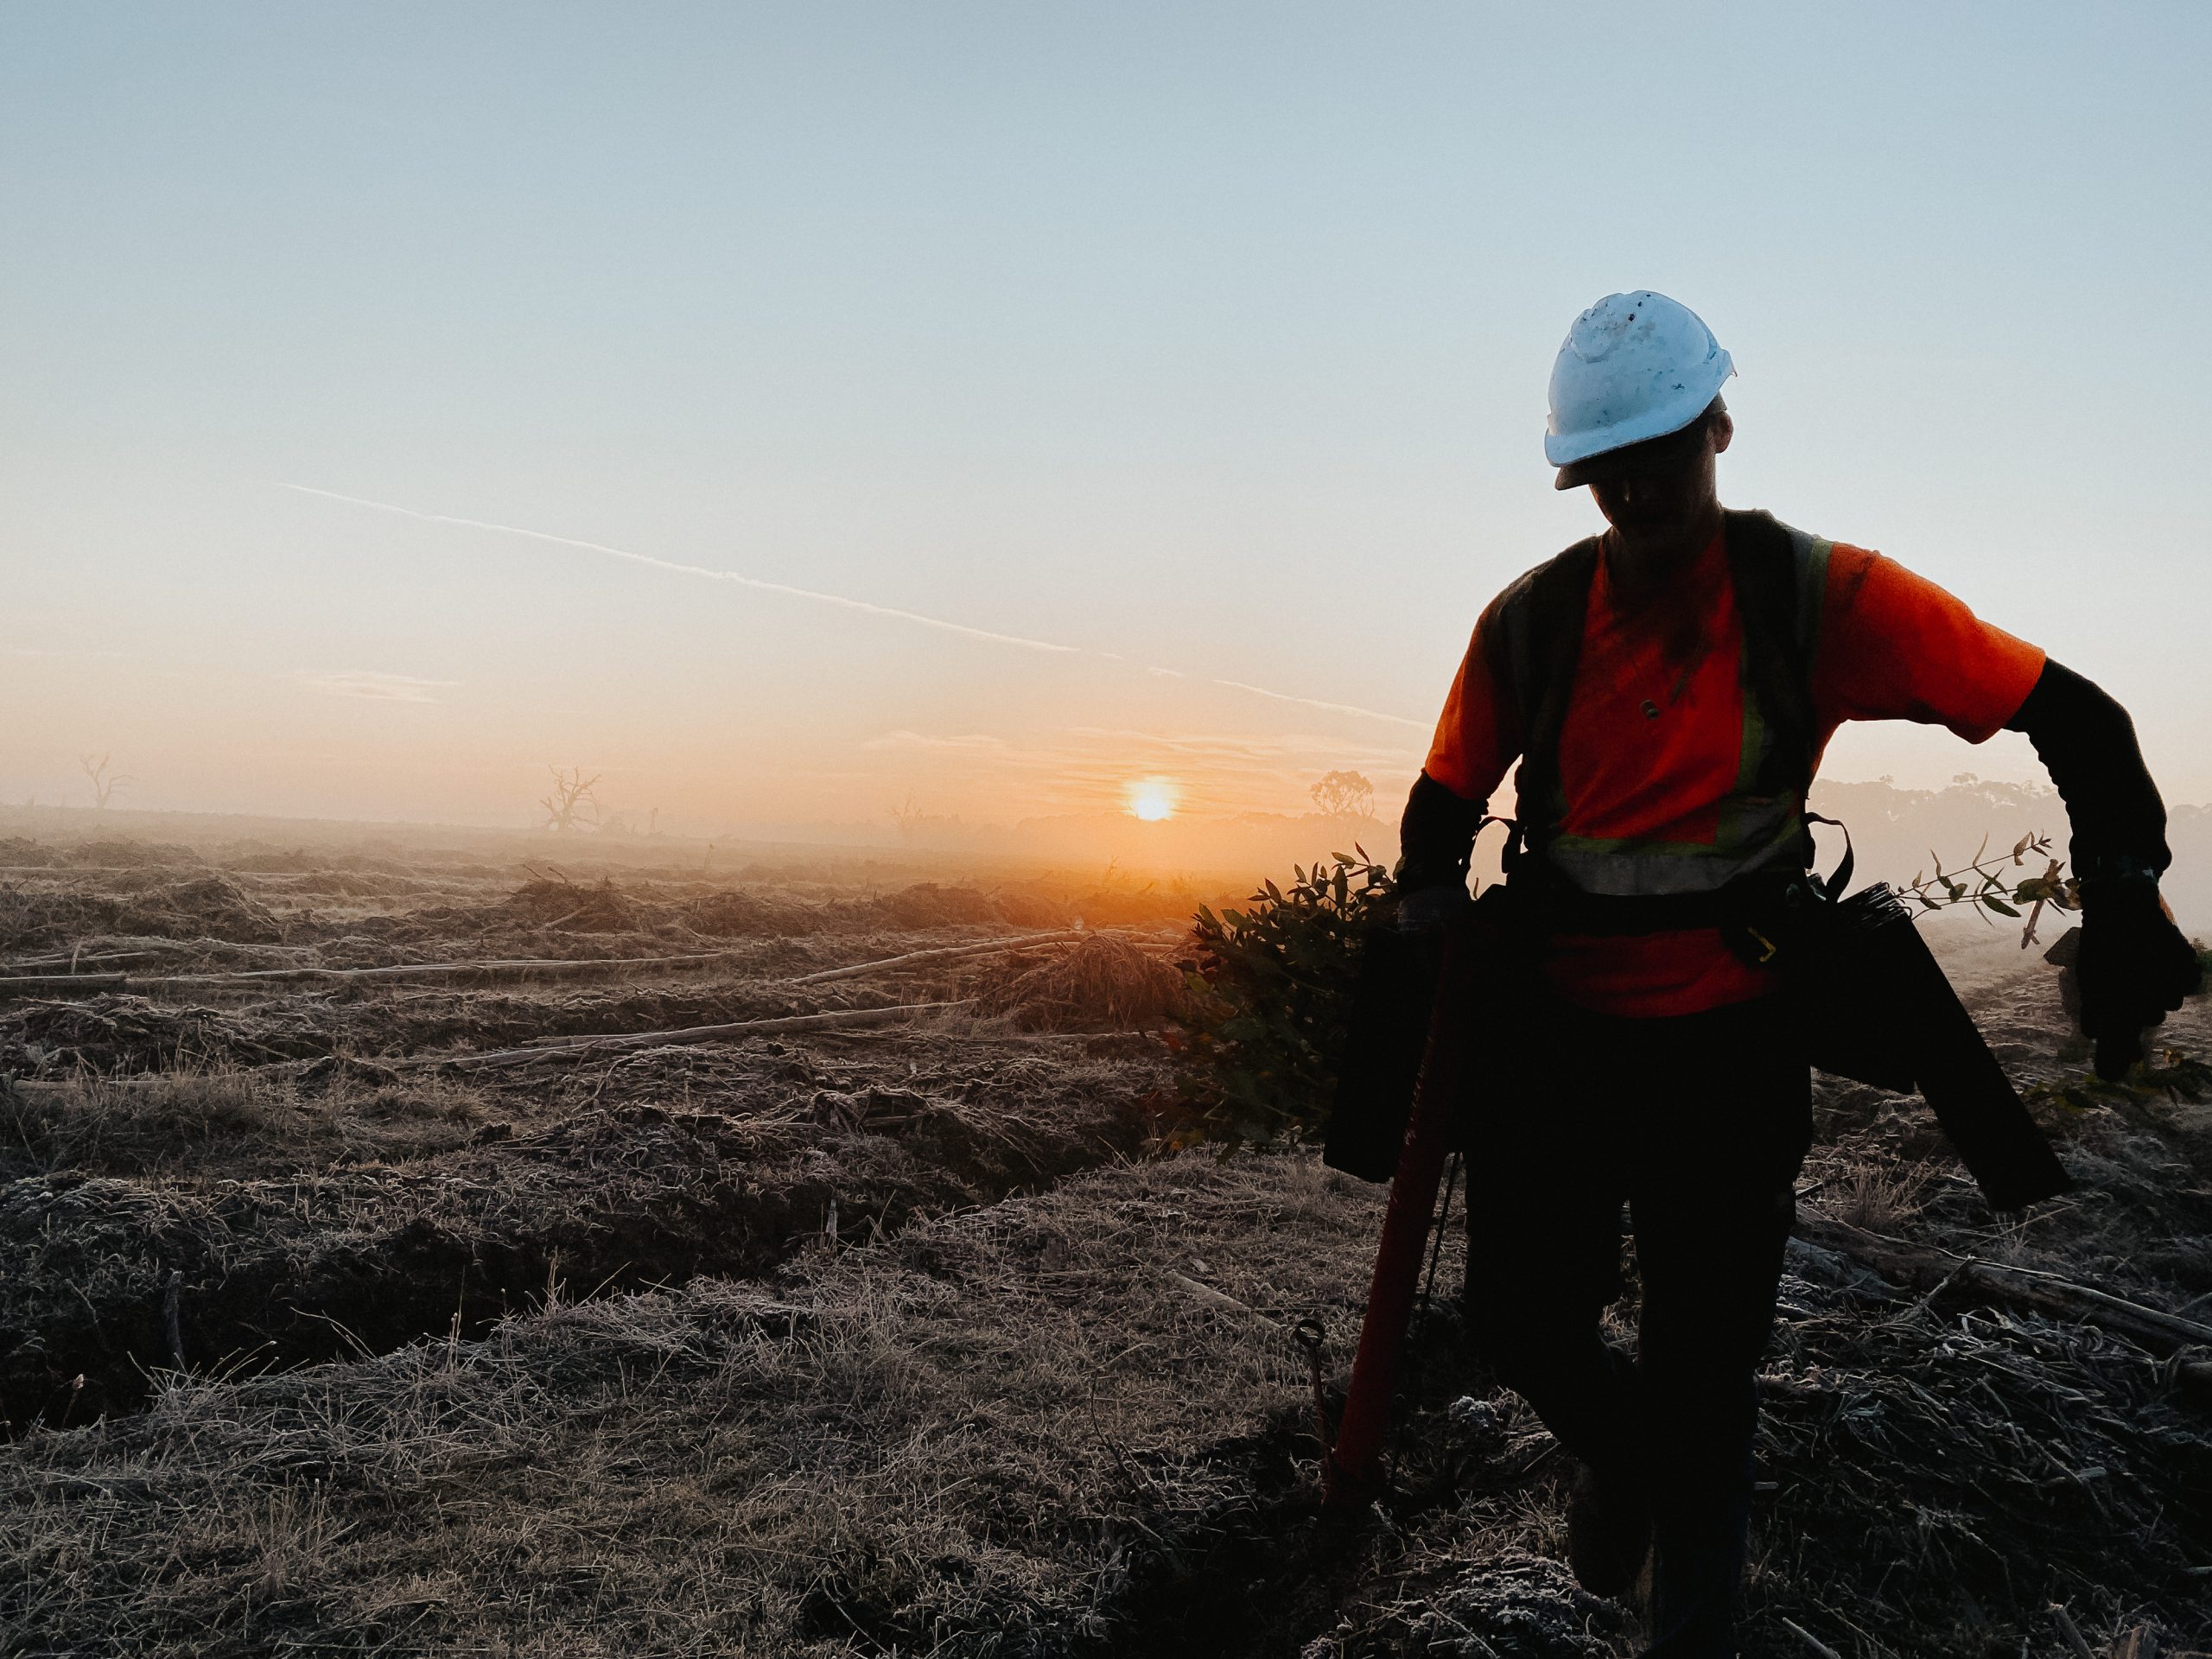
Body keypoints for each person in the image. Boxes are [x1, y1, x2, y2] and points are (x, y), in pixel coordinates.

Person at [1392, 290, 2202, 1656]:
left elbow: (2075, 713)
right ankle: (1620, 1456)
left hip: (1730, 1050)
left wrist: (2123, 898)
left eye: (1663, 447)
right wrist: (1421, 909)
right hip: (1563, 1048)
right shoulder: (1528, 625)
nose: (1640, 487)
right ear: (1576, 475)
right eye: (1608, 467)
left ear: (1719, 424)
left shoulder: (1815, 598)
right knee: (1522, 1322)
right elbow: (1439, 804)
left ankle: (1686, 1580)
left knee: (1707, 1395)